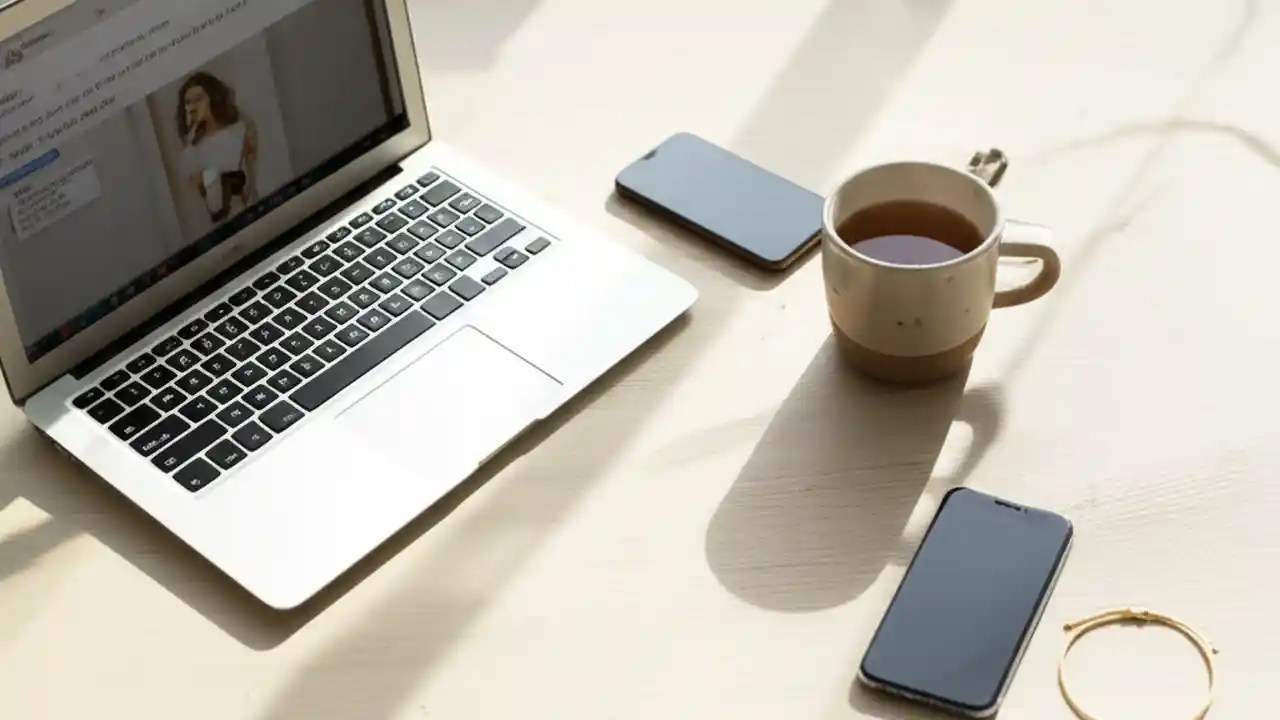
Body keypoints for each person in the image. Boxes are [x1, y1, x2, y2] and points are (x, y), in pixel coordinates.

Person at [176, 71, 258, 224]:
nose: (192, 106)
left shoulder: (240, 128)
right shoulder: (192, 152)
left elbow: (250, 177)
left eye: (198, 99)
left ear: (212, 98)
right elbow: (212, 204)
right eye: (188, 102)